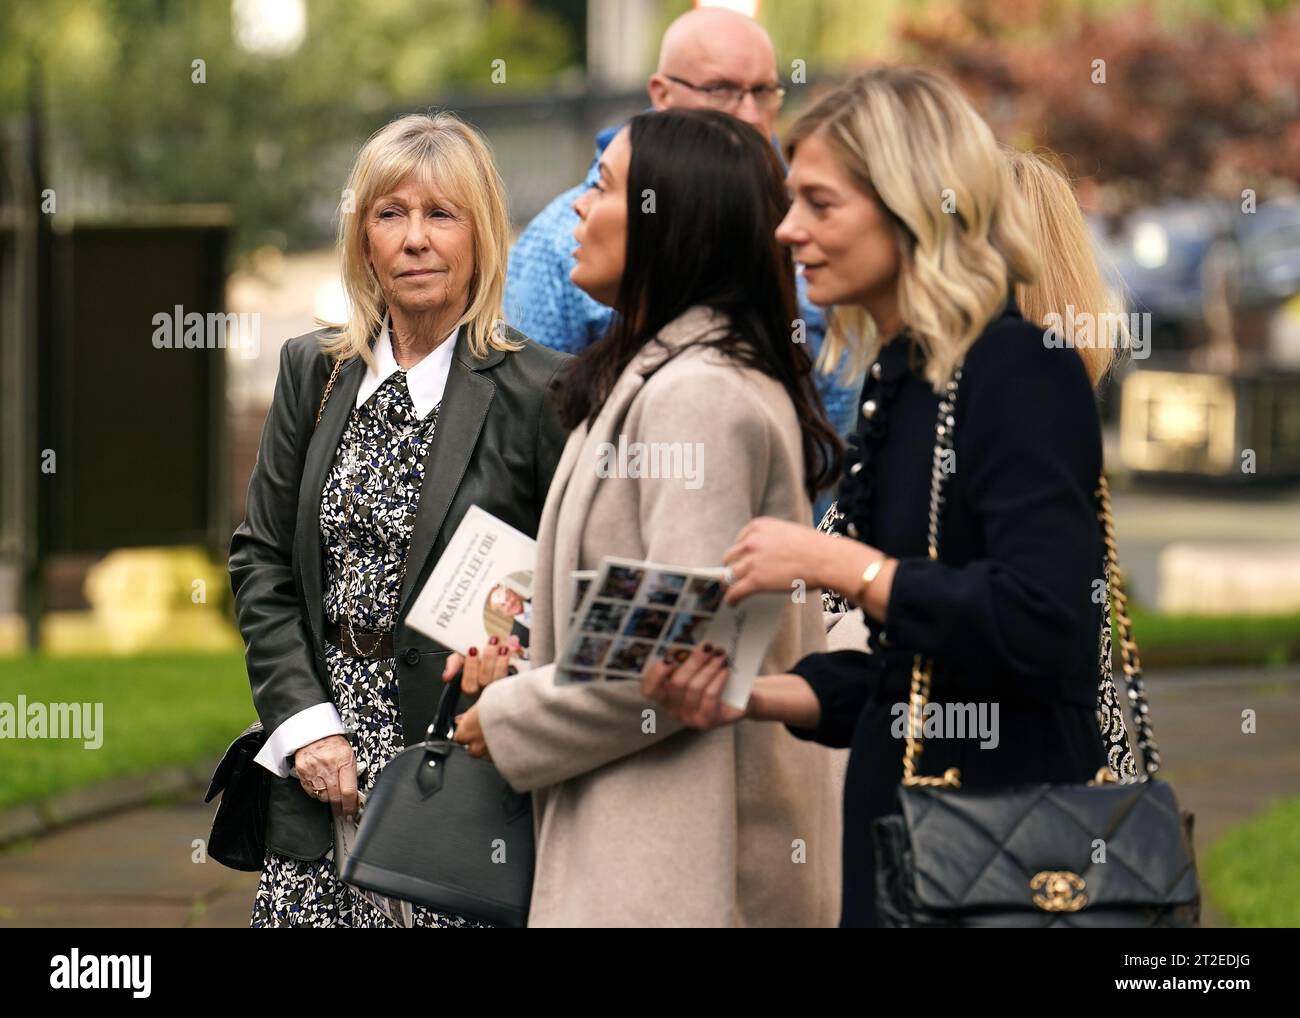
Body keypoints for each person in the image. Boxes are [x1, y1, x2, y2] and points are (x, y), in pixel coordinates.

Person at [643, 67, 1117, 927]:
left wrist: (841, 563)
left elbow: (1045, 622)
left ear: (910, 206)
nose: (788, 231)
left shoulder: (1017, 368)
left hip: (1010, 863)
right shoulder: (901, 379)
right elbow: (910, 673)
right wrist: (750, 696)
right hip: (907, 854)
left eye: (821, 204)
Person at [444, 107, 846, 927]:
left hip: (678, 872)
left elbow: (676, 654)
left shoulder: (698, 396)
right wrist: (525, 668)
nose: (578, 210)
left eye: (605, 187)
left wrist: (511, 716)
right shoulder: (659, 376)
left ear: (675, 221)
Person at [229, 112, 569, 927]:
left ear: (481, 235)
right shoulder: (313, 369)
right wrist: (308, 728)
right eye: (391, 214)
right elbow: (261, 559)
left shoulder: (543, 391)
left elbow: (571, 582)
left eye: (441, 215)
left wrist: (511, 671)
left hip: (460, 765)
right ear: (363, 239)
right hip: (321, 749)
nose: (415, 239)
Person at [504, 5, 862, 509]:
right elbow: (526, 433)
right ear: (660, 94)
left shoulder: (806, 222)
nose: (750, 113)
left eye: (765, 91)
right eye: (721, 90)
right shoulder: (560, 240)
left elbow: (831, 428)